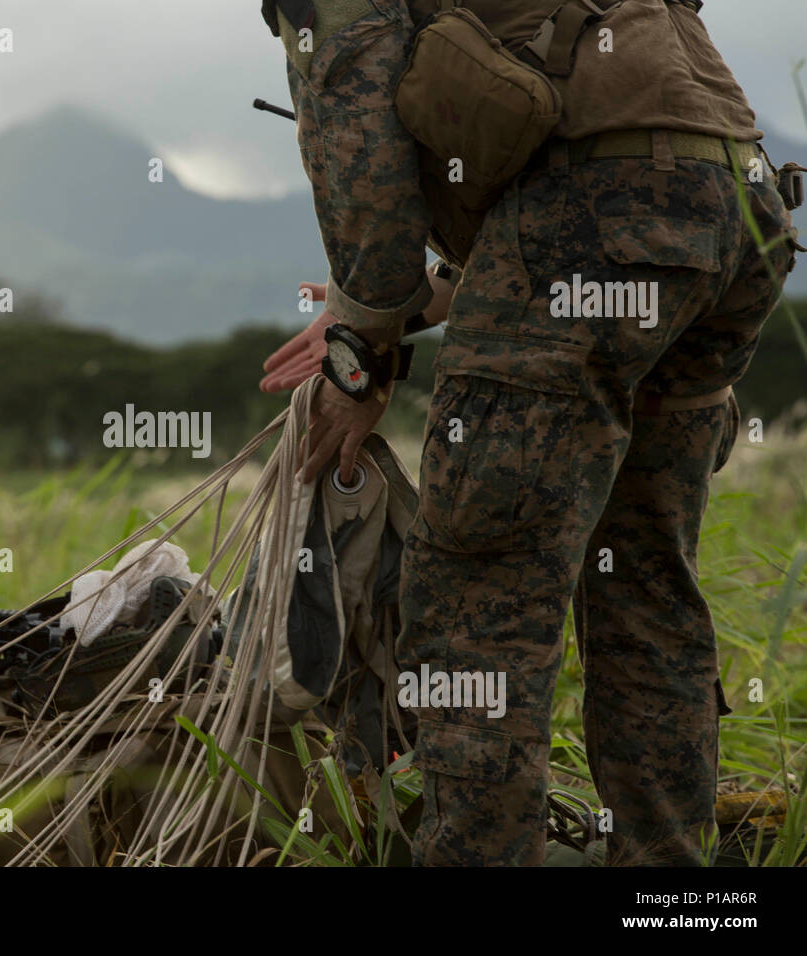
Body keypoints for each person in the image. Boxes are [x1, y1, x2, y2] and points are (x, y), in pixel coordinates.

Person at [259, 0, 799, 864]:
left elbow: (352, 98)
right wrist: (439, 290)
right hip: (734, 210)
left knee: (479, 608)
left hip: (595, 220)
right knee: (648, 592)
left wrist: (362, 341)